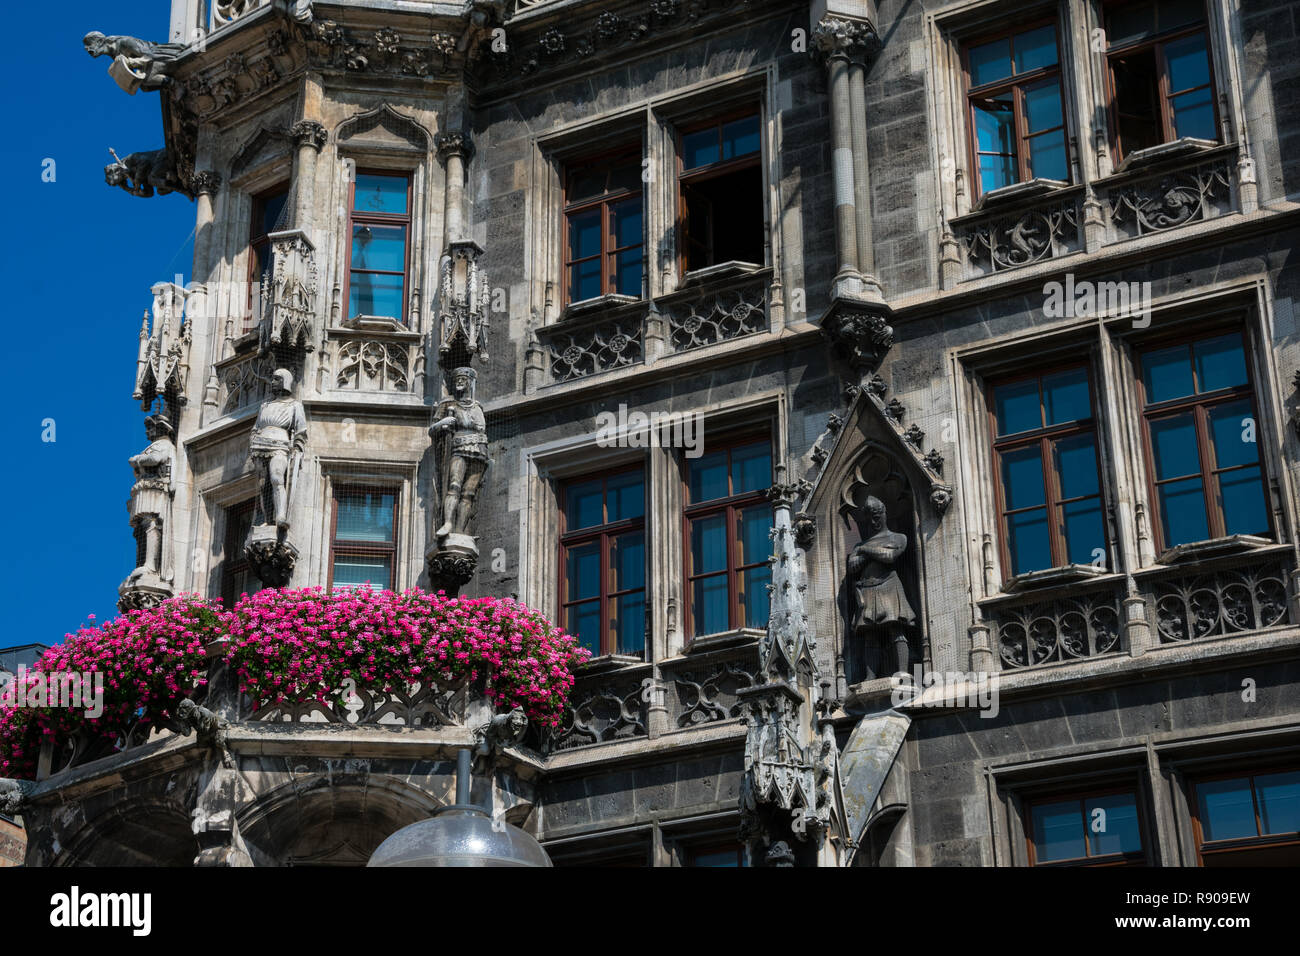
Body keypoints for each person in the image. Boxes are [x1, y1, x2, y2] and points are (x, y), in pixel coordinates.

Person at [847, 496, 915, 679]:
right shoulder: (858, 546)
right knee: (870, 636)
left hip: (889, 587)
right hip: (867, 591)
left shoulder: (898, 537)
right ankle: (870, 678)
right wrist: (870, 552)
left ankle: (902, 671)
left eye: (877, 516)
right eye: (870, 518)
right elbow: (852, 566)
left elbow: (889, 557)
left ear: (885, 513)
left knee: (896, 628)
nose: (874, 521)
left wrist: (866, 550)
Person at [430, 367, 488, 539]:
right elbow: (432, 430)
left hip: (479, 451)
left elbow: (481, 429)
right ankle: (448, 523)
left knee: (469, 493)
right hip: (458, 448)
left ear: (470, 382)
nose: (460, 383)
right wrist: (443, 423)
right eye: (457, 380)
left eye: (463, 379)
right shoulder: (448, 405)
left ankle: (461, 531)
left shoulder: (477, 406)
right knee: (454, 486)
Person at [249, 369, 307, 531]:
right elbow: (256, 427)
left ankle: (280, 516)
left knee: (276, 477)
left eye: (276, 379)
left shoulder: (295, 405)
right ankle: (267, 518)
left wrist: (297, 447)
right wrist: (252, 441)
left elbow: (301, 430)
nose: (272, 382)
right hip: (259, 446)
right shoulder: (265, 406)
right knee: (263, 484)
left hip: (280, 444)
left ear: (285, 382)